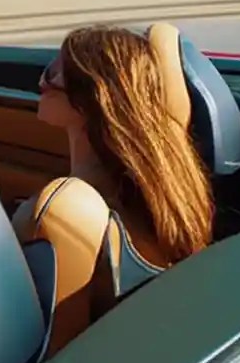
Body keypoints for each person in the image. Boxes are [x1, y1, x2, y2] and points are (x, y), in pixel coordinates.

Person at [19, 25, 214, 268]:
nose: (42, 81)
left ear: (93, 95)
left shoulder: (68, 210)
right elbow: (163, 34)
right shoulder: (166, 178)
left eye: (54, 73)